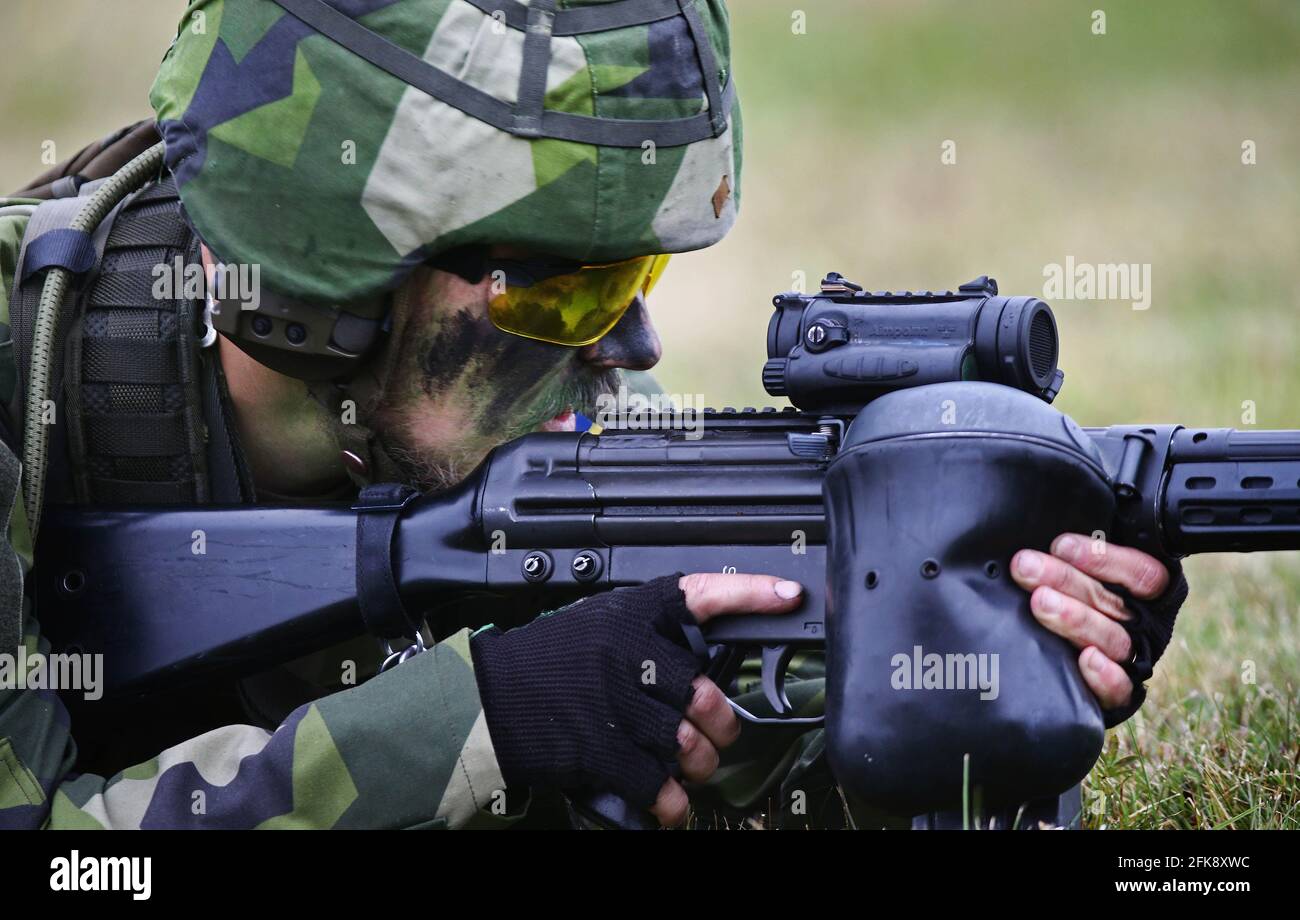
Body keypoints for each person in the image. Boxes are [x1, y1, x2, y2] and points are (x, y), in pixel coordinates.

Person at [0, 0, 1186, 829]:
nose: (634, 345)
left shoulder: (535, 443)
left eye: (635, 281)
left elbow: (702, 746)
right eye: (573, 291)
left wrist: (923, 660)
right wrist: (486, 720)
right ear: (325, 284)